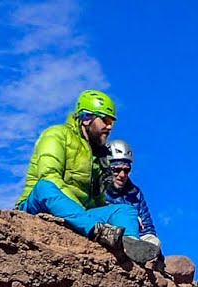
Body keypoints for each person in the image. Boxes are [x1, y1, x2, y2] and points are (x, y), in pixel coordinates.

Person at [15, 90, 160, 266]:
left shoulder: (99, 155)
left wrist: (109, 215)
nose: (110, 126)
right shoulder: (56, 135)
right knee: (45, 187)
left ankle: (131, 248)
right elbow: (49, 176)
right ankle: (96, 230)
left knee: (124, 210)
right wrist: (83, 215)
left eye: (112, 121)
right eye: (105, 120)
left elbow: (97, 201)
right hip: (39, 205)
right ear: (86, 118)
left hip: (81, 214)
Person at [101, 139, 160, 254]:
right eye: (116, 169)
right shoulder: (98, 189)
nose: (122, 175)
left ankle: (141, 253)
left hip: (137, 238)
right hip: (112, 232)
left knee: (154, 242)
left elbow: (147, 227)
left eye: (126, 170)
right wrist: (131, 218)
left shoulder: (135, 193)